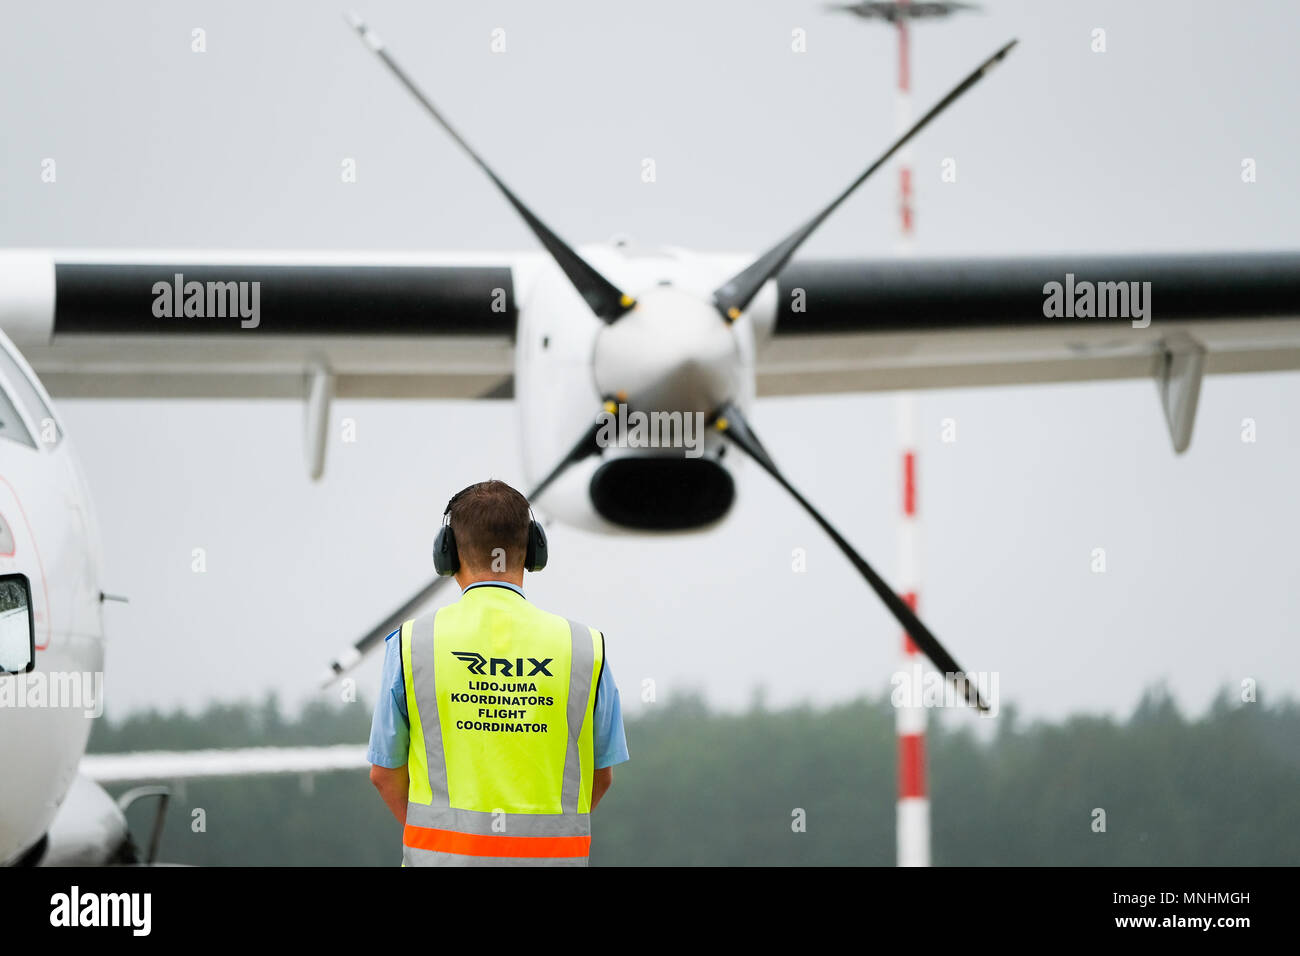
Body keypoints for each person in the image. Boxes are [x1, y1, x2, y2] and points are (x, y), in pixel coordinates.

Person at [368, 479, 629, 866]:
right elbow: (600, 777)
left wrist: (448, 847)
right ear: (534, 549)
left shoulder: (412, 644)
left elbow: (384, 774)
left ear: (448, 553)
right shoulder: (584, 647)